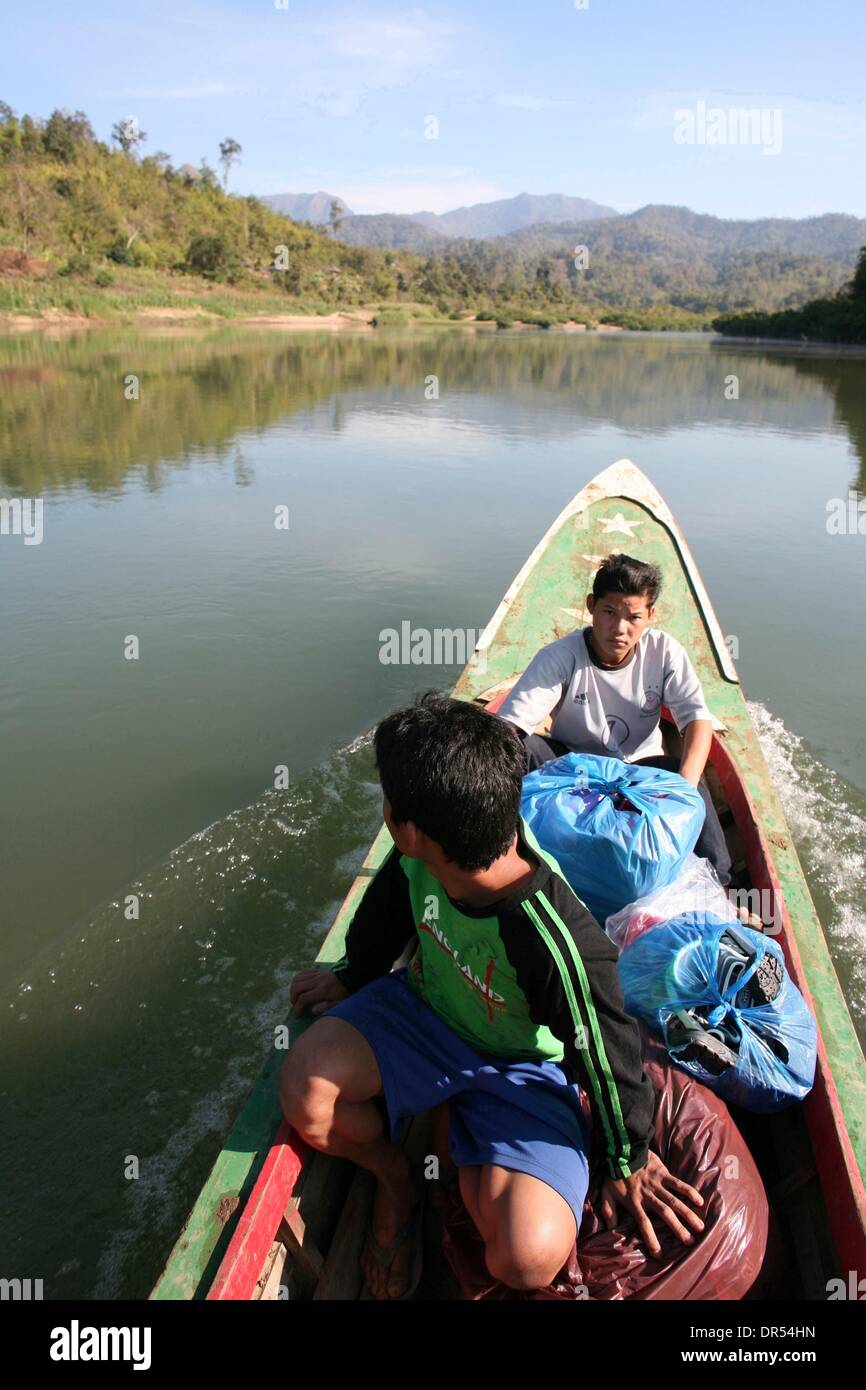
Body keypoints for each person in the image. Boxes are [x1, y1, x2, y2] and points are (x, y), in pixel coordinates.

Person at [280, 693, 704, 1300]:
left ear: (410, 829)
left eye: (387, 805)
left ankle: (448, 1121)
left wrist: (625, 1156)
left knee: (526, 1258)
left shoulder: (557, 941)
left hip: (519, 1065)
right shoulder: (421, 857)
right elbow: (385, 914)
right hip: (424, 1014)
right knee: (306, 1092)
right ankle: (396, 1176)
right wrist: (352, 975)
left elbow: (609, 1046)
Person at [496, 552, 732, 885]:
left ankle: (721, 884)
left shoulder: (664, 652)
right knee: (523, 750)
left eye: (633, 616)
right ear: (591, 605)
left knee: (691, 774)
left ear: (650, 615)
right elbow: (507, 729)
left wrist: (683, 787)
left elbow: (696, 720)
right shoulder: (560, 657)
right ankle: (498, 848)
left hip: (638, 770)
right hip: (573, 767)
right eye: (609, 612)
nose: (619, 628)